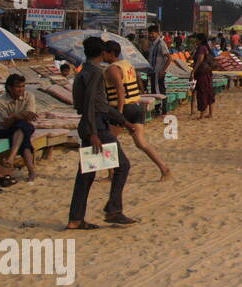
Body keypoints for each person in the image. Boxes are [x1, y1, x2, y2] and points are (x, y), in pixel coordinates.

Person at [68, 36, 138, 229]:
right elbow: (92, 105)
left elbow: (99, 105)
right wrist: (93, 133)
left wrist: (123, 122)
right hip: (96, 127)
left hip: (90, 125)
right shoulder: (95, 73)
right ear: (101, 52)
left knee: (86, 174)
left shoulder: (84, 72)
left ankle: (76, 218)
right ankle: (113, 210)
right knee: (122, 166)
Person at [101, 40, 171, 180]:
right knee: (141, 142)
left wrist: (119, 113)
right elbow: (138, 81)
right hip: (137, 106)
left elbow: (120, 91)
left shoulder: (113, 69)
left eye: (104, 53)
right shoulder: (128, 65)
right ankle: (164, 168)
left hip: (124, 107)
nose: (102, 55)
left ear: (111, 53)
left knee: (108, 141)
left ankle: (112, 174)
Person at [0, 74, 38, 183]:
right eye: (18, 87)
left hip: (23, 126)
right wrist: (20, 116)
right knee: (24, 137)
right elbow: (5, 125)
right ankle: (31, 171)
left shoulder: (29, 96)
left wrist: (14, 116)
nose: (21, 89)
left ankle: (11, 158)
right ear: (9, 88)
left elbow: (29, 117)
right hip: (4, 130)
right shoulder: (0, 101)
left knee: (22, 127)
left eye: (23, 86)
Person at [191, 33, 216, 119]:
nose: (195, 40)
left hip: (202, 73)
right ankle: (210, 113)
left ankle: (202, 114)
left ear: (200, 40)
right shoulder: (205, 47)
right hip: (207, 72)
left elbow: (200, 60)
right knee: (209, 92)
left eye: (196, 39)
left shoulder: (201, 48)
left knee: (202, 93)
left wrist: (193, 70)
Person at [147, 24, 169, 95]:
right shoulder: (152, 44)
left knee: (159, 92)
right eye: (149, 33)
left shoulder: (161, 44)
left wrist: (163, 70)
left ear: (157, 33)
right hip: (153, 72)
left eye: (152, 33)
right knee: (154, 91)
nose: (150, 35)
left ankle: (162, 102)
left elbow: (169, 58)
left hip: (158, 72)